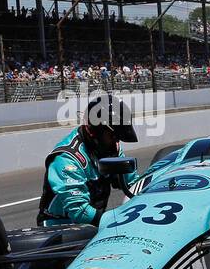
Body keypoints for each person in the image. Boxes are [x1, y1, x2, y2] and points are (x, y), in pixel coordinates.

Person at [37, 92, 139, 227]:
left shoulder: (110, 147)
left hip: (92, 224)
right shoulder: (67, 159)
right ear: (95, 131)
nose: (117, 141)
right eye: (113, 135)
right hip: (60, 228)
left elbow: (133, 184)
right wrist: (117, 220)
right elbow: (79, 212)